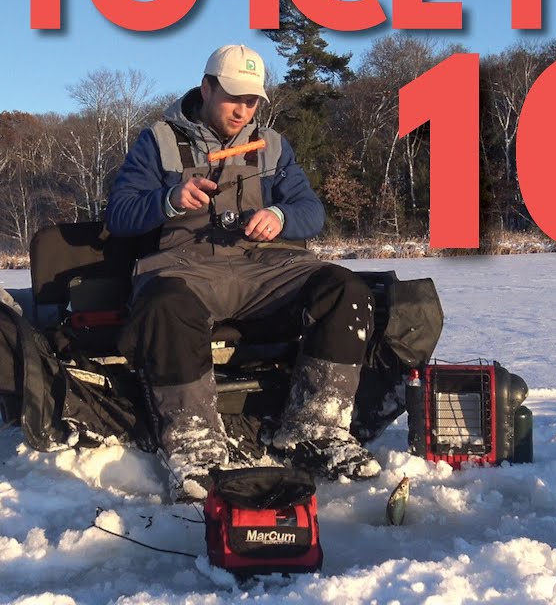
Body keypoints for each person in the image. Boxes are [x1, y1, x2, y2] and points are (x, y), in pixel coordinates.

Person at [106, 44, 381, 501]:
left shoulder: (273, 145)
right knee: (164, 305)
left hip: (264, 268)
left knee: (344, 288)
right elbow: (119, 214)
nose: (243, 109)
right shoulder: (156, 141)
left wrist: (279, 215)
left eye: (252, 100)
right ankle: (194, 445)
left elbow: (311, 211)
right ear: (207, 87)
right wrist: (169, 201)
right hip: (187, 267)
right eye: (234, 97)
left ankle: (315, 428)